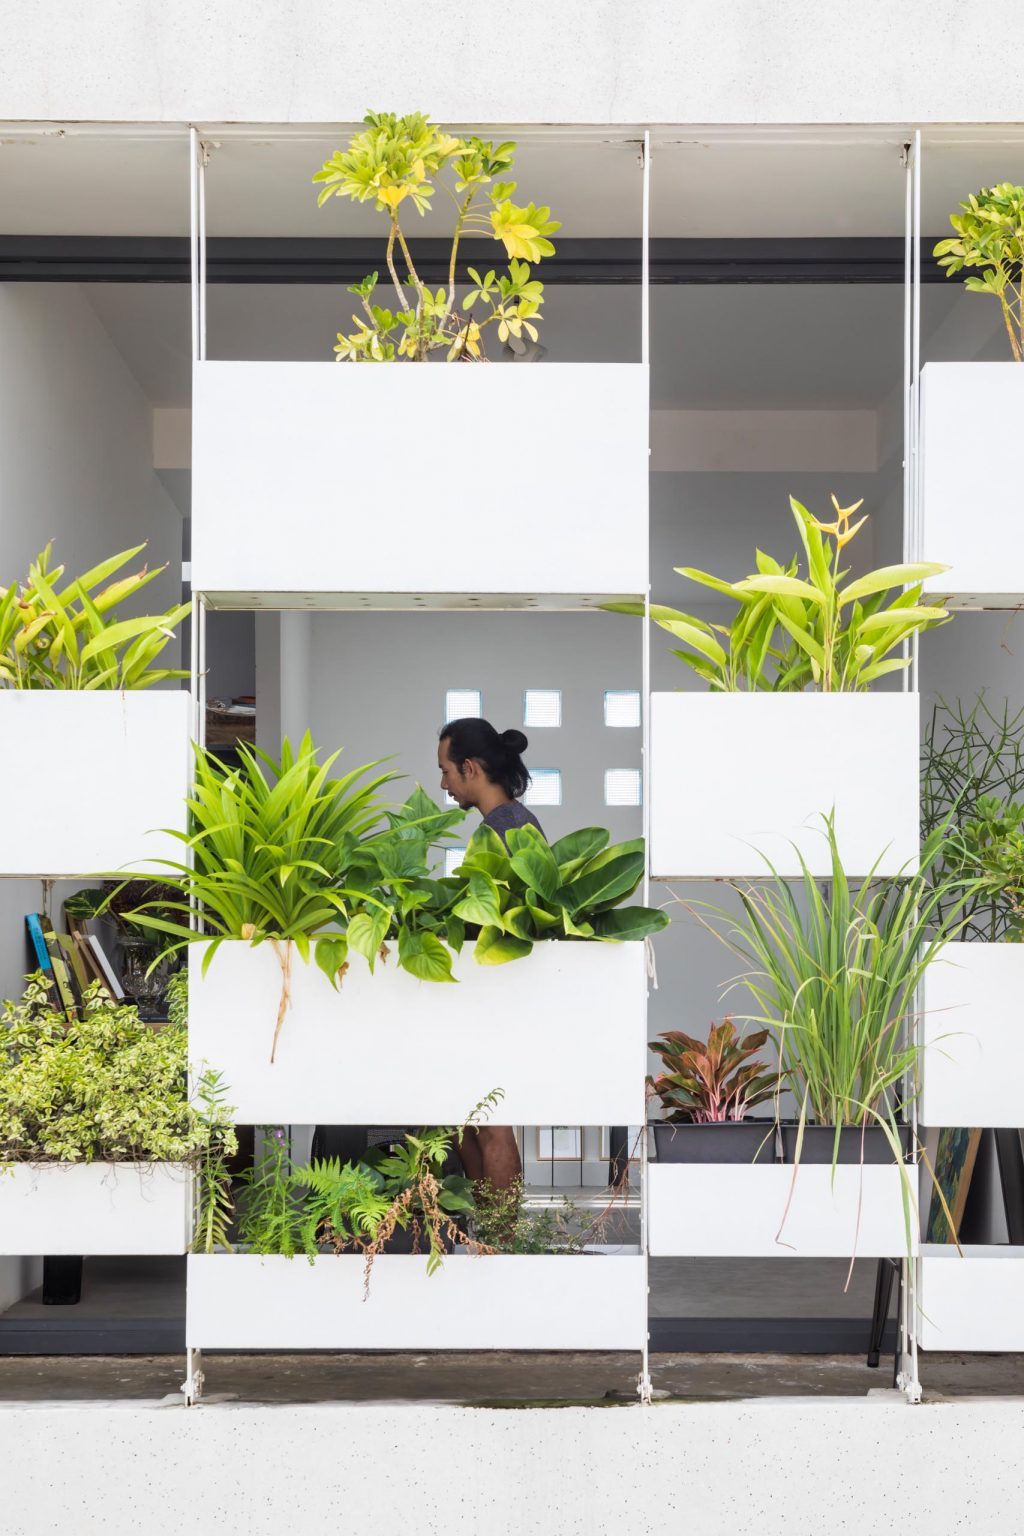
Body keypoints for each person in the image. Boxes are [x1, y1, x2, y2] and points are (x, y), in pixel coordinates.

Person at [437, 717, 544, 1191]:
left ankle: (502, 1244)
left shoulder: (504, 829)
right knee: (469, 1120)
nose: (443, 783)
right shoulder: (513, 822)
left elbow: (489, 920)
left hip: (494, 998)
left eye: (446, 770)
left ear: (471, 767)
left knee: (490, 1122)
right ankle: (492, 1243)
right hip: (498, 994)